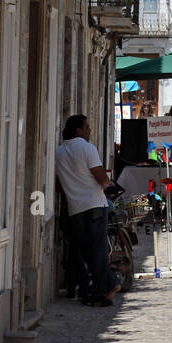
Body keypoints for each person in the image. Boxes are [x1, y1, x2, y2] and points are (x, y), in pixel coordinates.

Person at [55, 115, 120, 306]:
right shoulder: (86, 148)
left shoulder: (59, 152)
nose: (90, 130)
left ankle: (107, 288)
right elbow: (100, 176)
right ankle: (106, 288)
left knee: (87, 252)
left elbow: (59, 185)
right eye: (87, 127)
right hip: (94, 205)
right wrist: (107, 185)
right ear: (79, 130)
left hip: (75, 209)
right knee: (98, 250)